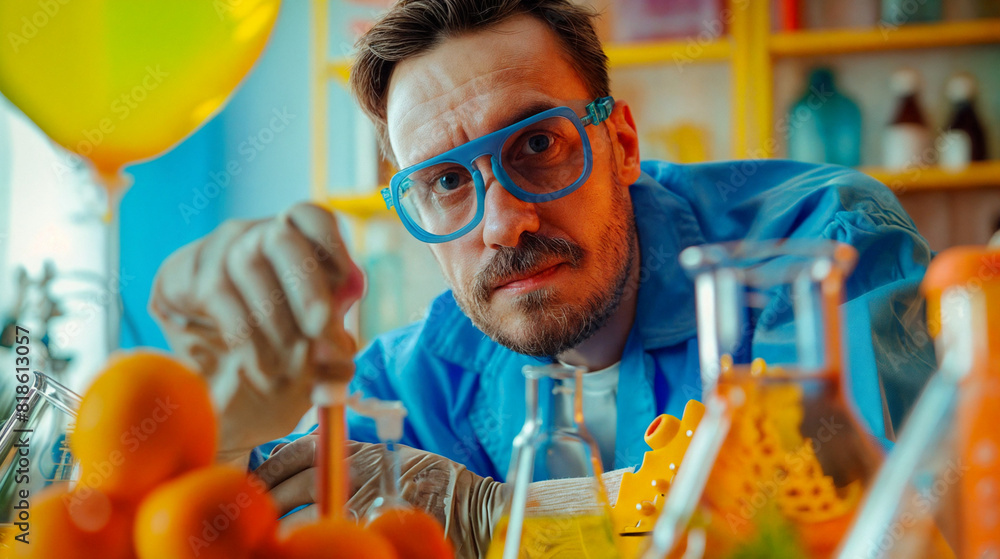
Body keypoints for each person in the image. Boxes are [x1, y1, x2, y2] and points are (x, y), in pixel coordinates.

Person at [150, 1, 936, 556]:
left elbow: (877, 513)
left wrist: (508, 520)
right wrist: (215, 431)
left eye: (537, 147)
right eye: (446, 182)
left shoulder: (812, 247)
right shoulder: (413, 376)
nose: (504, 223)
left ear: (621, 143)